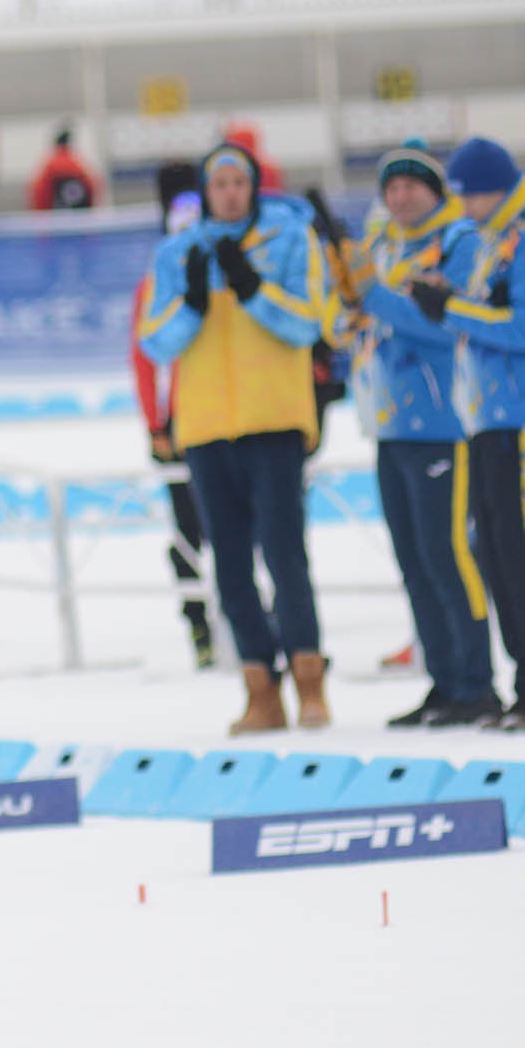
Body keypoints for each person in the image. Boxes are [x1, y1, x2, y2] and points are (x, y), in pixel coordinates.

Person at [396, 136, 525, 730]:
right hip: (486, 416)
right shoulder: (491, 238)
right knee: (501, 554)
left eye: (467, 197)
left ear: (490, 190)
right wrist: (449, 299)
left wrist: (449, 310)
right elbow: (486, 313)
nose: (463, 209)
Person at [138, 141, 331, 734]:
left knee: (283, 551)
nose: (229, 193)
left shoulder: (292, 239)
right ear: (205, 191)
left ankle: (309, 682)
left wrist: (251, 289)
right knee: (230, 566)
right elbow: (155, 342)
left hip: (273, 418)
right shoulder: (177, 251)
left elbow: (307, 324)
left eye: (238, 182)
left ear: (253, 187)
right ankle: (260, 689)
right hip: (206, 426)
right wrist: (194, 304)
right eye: (218, 184)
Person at [349, 140, 499, 728]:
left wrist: (373, 297)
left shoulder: (458, 241)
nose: (400, 194)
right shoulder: (383, 246)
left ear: (436, 191)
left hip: (444, 423)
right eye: (391, 186)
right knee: (414, 559)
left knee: (448, 554)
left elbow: (447, 325)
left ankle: (477, 683)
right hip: (389, 424)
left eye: (412, 184)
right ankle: (443, 682)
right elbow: (365, 318)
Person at [132, 160, 214, 668]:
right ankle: (201, 625)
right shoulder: (156, 278)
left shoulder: (225, 264)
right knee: (188, 534)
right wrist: (156, 425)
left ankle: (244, 620)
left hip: (229, 419)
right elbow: (143, 360)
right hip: (181, 427)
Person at [29, 126, 101, 212]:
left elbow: (39, 192)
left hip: (53, 217)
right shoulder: (77, 165)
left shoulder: (49, 165)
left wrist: (42, 216)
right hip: (79, 216)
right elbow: (92, 186)